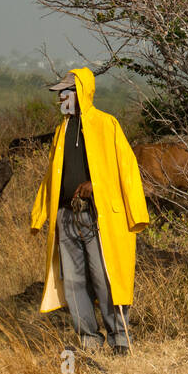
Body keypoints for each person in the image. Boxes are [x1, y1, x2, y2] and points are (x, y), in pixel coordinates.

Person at [30, 67, 149, 354]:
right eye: (59, 94)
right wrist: (39, 216)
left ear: (81, 92)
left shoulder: (107, 125)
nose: (60, 99)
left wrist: (96, 185)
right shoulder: (61, 131)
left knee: (105, 277)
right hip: (65, 215)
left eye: (64, 93)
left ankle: (120, 339)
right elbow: (51, 176)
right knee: (73, 282)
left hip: (97, 217)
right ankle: (89, 341)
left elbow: (127, 170)